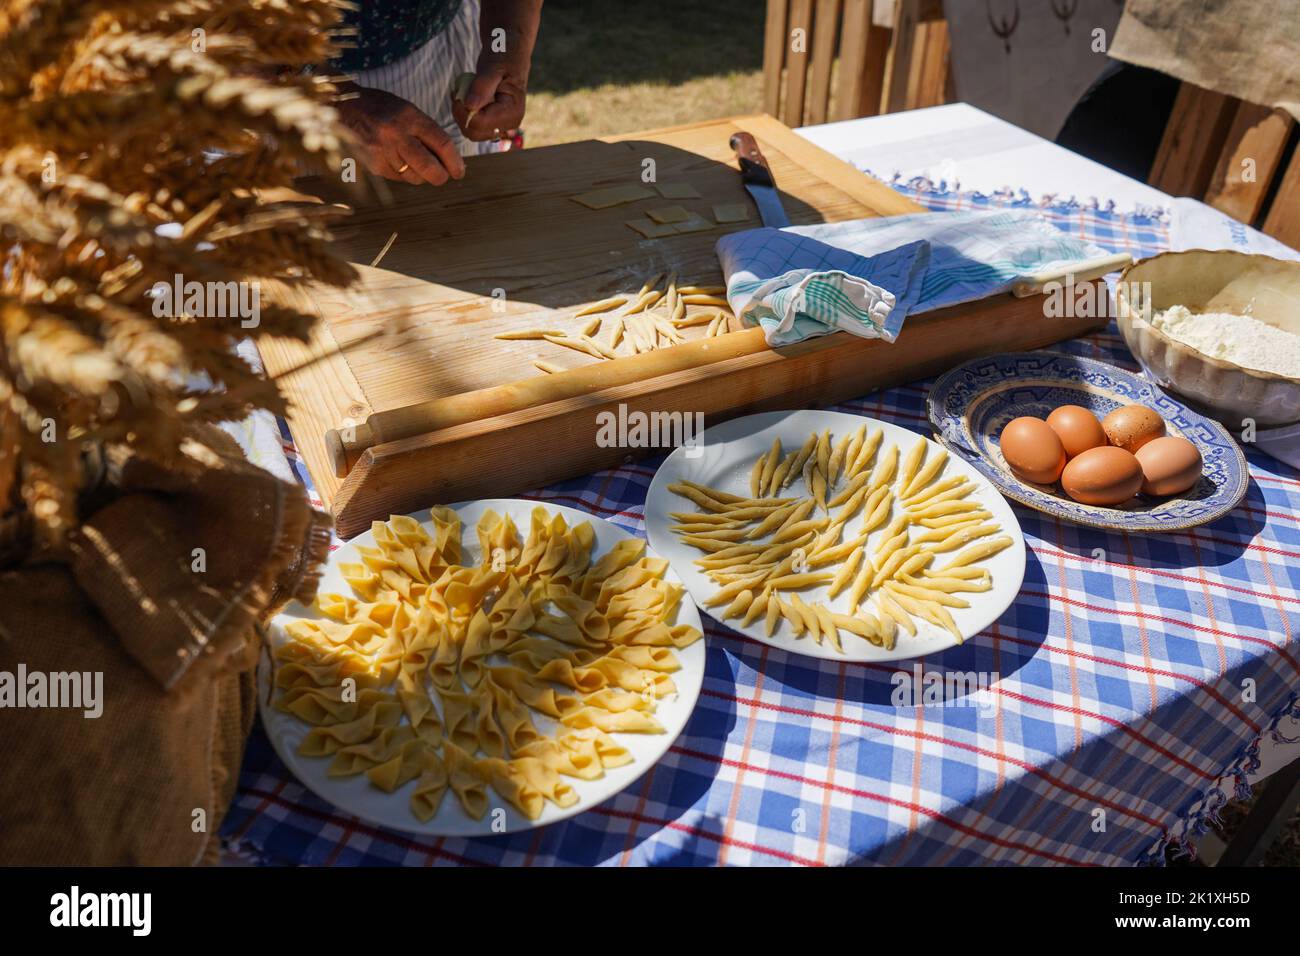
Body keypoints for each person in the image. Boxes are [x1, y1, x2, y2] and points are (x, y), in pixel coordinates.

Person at [333, 0, 543, 185]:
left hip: (437, 41)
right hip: (310, 85)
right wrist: (336, 104)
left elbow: (507, 43)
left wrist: (508, 52)